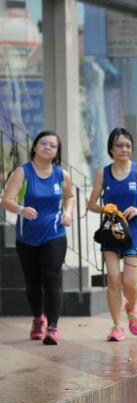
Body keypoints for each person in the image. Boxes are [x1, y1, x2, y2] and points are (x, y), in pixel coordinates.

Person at [88, 128, 137, 342]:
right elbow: (91, 204)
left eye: (128, 145)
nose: (124, 149)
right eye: (119, 145)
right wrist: (104, 209)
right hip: (111, 233)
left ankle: (131, 308)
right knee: (113, 279)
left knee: (129, 282)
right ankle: (116, 325)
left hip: (136, 233)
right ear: (111, 148)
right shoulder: (103, 173)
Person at [1, 130, 75, 345]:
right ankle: (37, 320)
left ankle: (52, 327)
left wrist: (68, 213)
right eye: (43, 143)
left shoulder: (62, 175)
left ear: (56, 153)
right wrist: (21, 209)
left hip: (54, 233)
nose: (47, 147)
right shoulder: (22, 172)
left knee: (51, 278)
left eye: (52, 145)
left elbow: (69, 197)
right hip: (27, 236)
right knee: (33, 282)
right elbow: (6, 200)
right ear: (34, 147)